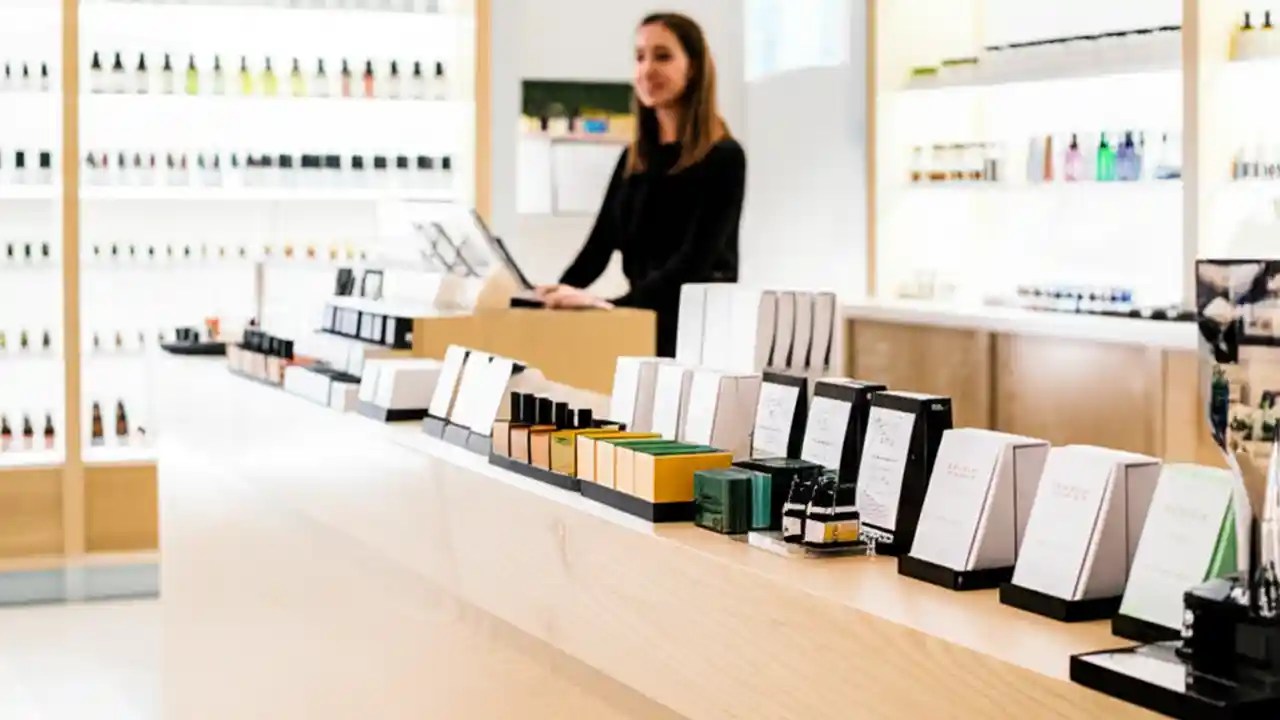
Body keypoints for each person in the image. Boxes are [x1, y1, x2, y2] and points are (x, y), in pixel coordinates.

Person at [536, 11, 746, 357]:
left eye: (662, 56)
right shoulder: (633, 159)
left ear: (693, 67)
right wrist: (552, 296)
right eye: (639, 57)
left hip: (696, 340)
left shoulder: (724, 157)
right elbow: (597, 250)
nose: (647, 69)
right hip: (640, 330)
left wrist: (608, 305)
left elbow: (691, 266)